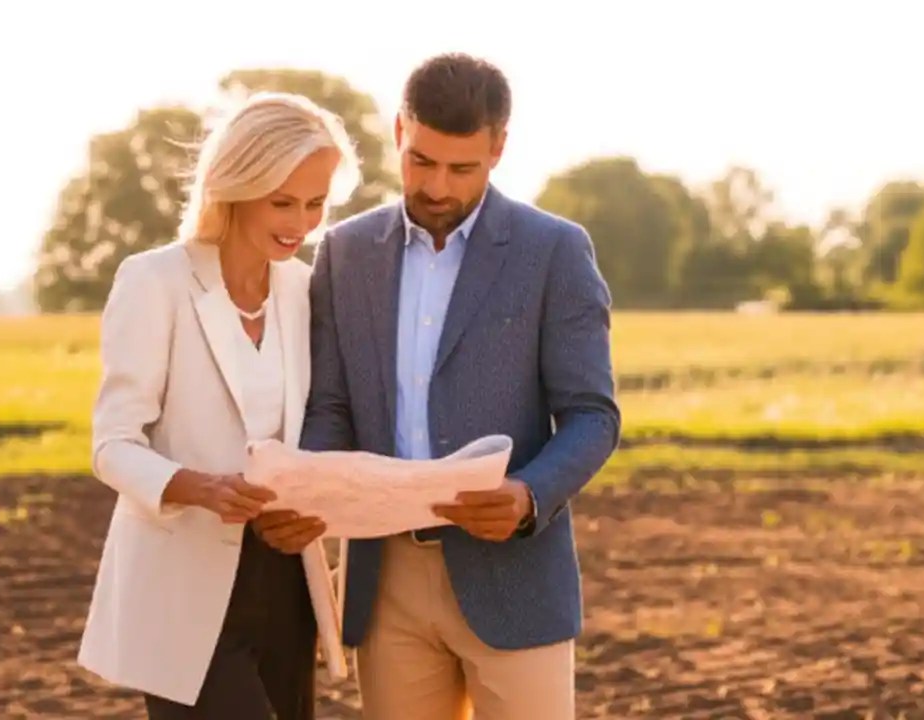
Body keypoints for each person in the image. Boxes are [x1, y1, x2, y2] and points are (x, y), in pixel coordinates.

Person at [298, 52, 621, 719]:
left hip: (514, 576)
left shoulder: (554, 250)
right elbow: (330, 405)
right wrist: (308, 491)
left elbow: (593, 414)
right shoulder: (345, 251)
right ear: (398, 133)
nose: (437, 186)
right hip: (383, 584)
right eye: (421, 161)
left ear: (499, 149)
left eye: (461, 168)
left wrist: (529, 495)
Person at [76, 91, 360, 719]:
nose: (301, 222)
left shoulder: (306, 290)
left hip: (286, 582)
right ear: (233, 186)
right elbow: (112, 443)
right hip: (184, 593)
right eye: (282, 201)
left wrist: (316, 505)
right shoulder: (155, 282)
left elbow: (317, 434)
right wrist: (195, 486)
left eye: (316, 204)